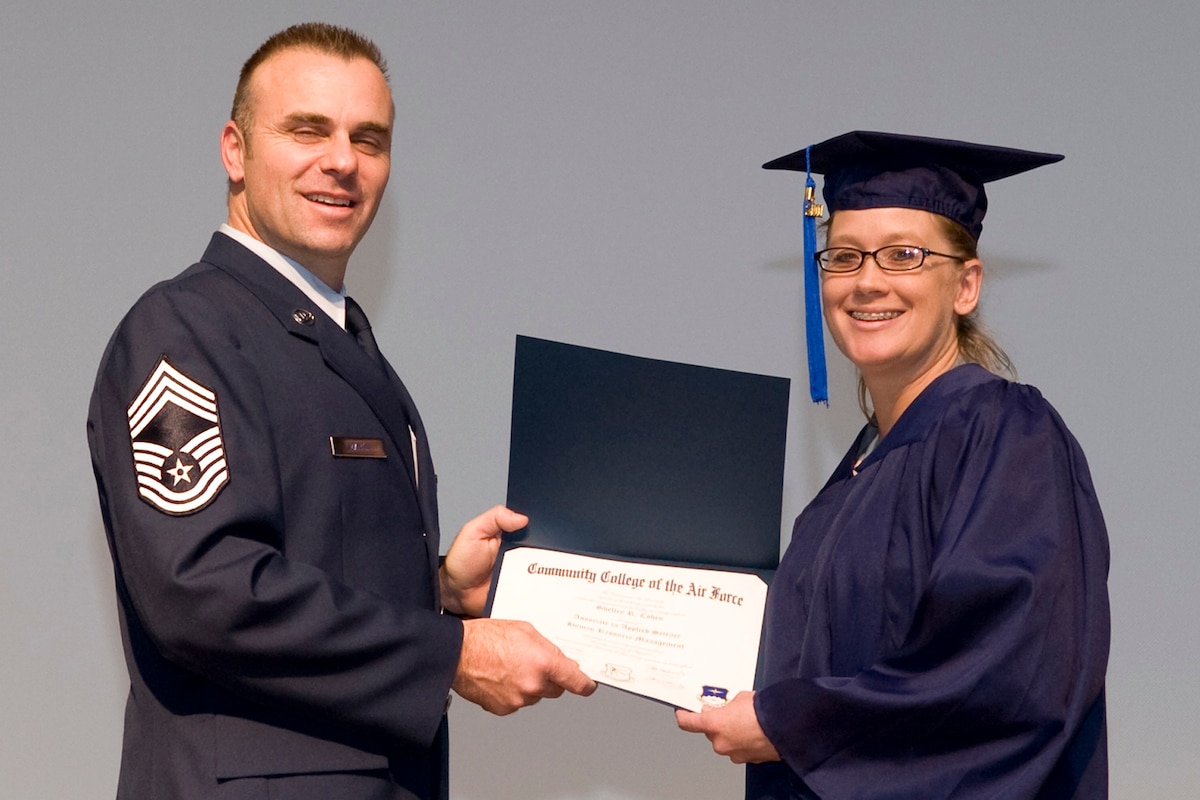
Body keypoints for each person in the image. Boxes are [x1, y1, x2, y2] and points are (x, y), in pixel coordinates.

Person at [87, 22, 594, 800]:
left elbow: (310, 552)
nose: (342, 160)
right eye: (307, 130)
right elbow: (204, 588)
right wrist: (452, 653)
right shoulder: (184, 331)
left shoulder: (329, 333)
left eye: (369, 139)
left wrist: (437, 587)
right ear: (234, 150)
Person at [675, 131, 1110, 799]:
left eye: (904, 255)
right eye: (843, 256)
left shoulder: (1005, 434)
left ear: (966, 285)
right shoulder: (859, 471)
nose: (868, 280)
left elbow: (1004, 674)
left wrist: (791, 724)